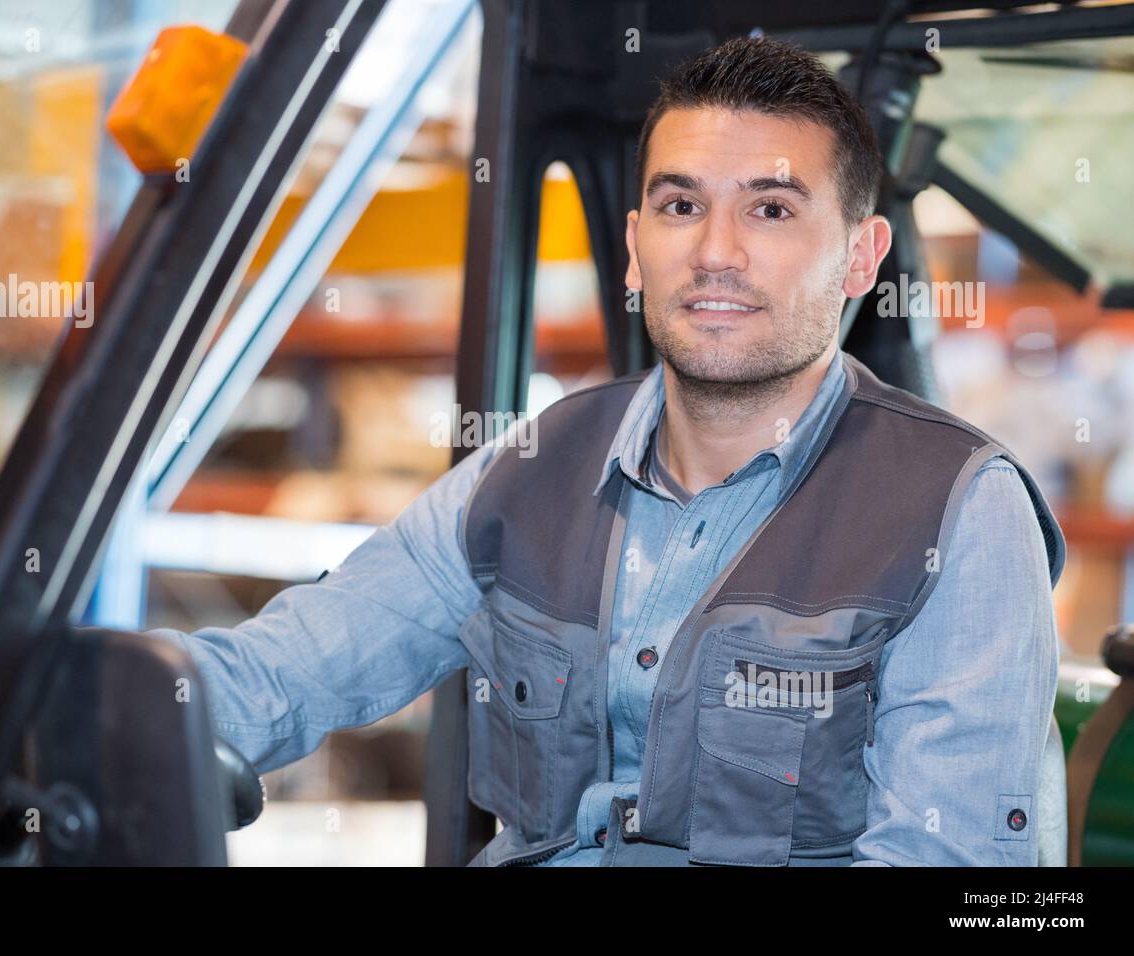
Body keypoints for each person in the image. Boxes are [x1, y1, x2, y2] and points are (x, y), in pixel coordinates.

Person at [151, 35, 1065, 866]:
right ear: (635, 247)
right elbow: (294, 665)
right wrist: (85, 699)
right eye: (680, 204)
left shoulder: (958, 509)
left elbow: (956, 873)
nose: (715, 252)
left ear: (862, 259)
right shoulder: (530, 466)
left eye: (772, 211)